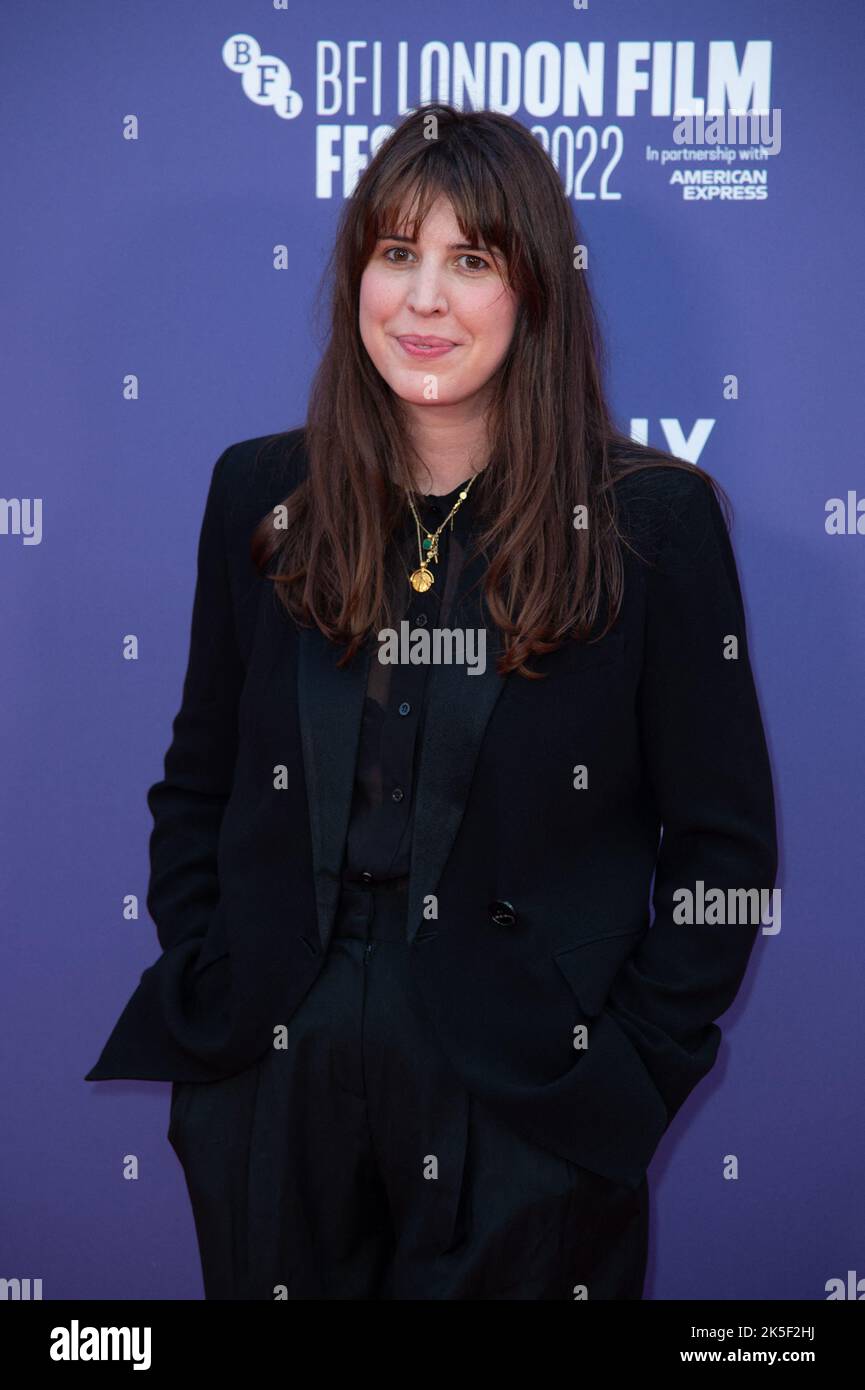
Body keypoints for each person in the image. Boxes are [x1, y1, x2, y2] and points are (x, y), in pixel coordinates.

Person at [84, 103, 778, 1300]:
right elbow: (197, 780)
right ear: (356, 272)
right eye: (396, 252)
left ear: (535, 291)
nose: (423, 300)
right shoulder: (260, 491)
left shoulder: (649, 520)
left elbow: (723, 848)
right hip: (274, 1062)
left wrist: (625, 1074)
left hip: (524, 1097)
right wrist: (211, 971)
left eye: (471, 260)